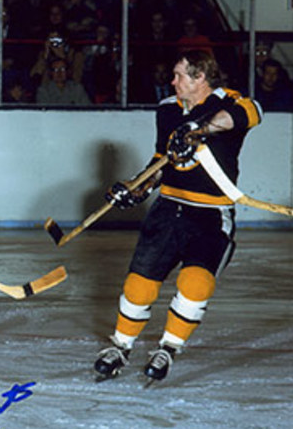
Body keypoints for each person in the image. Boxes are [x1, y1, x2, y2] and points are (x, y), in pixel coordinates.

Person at [94, 50, 263, 382]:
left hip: (211, 216)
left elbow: (252, 112)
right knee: (139, 285)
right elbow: (161, 160)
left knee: (195, 282)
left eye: (179, 75)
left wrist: (200, 129)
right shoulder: (168, 109)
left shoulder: (227, 102)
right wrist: (137, 187)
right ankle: (120, 346)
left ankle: (168, 348)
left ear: (200, 77)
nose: (172, 82)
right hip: (168, 210)